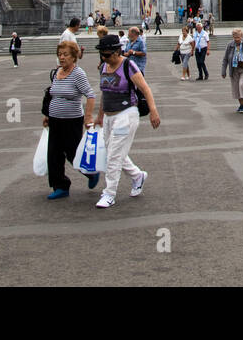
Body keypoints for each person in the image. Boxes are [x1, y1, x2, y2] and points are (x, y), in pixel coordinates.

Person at [94, 34, 161, 209]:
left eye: (107, 54)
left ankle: (109, 193)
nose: (104, 58)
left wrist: (153, 112)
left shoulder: (128, 66)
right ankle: (137, 175)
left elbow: (145, 89)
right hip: (109, 116)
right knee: (113, 152)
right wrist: (100, 116)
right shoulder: (104, 67)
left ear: (117, 51)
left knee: (114, 156)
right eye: (102, 54)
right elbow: (104, 93)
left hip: (126, 115)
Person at [43, 40, 98, 200]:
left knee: (73, 154)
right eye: (60, 54)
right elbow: (54, 95)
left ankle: (90, 173)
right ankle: (60, 186)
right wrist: (47, 115)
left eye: (65, 55)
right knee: (54, 154)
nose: (62, 58)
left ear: (74, 57)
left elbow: (90, 95)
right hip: (55, 119)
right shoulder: (57, 72)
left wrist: (88, 116)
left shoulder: (78, 74)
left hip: (72, 120)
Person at [222, 27, 243, 113]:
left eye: (238, 37)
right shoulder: (230, 45)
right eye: (235, 37)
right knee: (236, 88)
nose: (236, 39)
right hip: (234, 69)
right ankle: (242, 105)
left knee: (242, 85)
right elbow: (225, 59)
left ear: (241, 36)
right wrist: (223, 71)